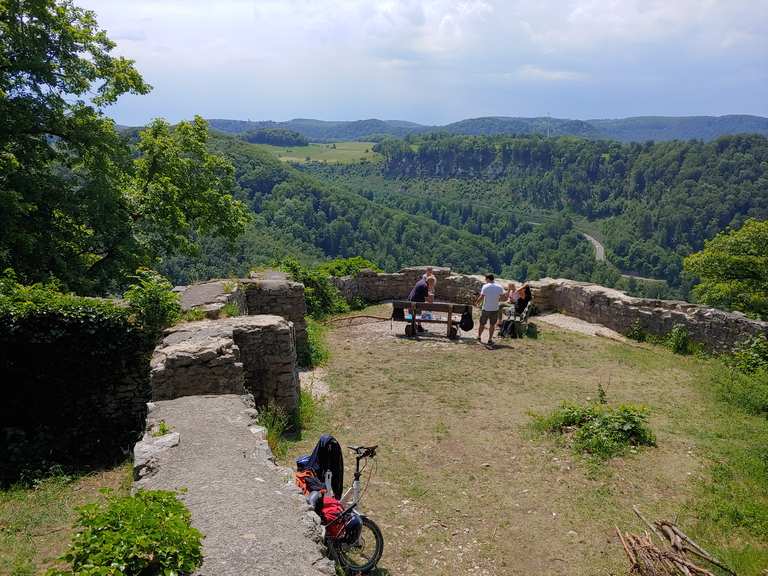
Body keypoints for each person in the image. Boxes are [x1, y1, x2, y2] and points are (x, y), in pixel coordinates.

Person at [475, 273, 506, 346]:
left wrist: (476, 303)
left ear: (488, 279)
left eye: (485, 279)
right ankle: (490, 339)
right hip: (495, 308)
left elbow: (482, 297)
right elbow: (503, 298)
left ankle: (479, 337)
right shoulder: (499, 286)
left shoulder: (485, 286)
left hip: (486, 308)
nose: (485, 280)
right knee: (492, 325)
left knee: (482, 324)